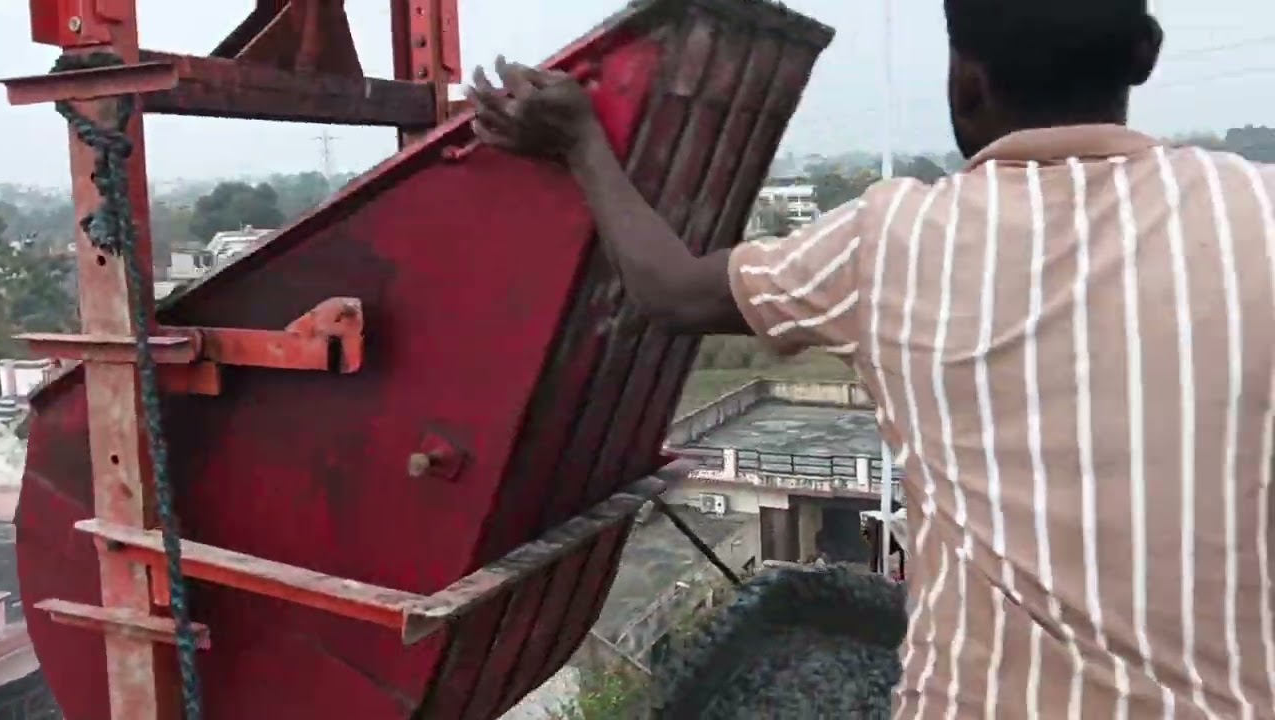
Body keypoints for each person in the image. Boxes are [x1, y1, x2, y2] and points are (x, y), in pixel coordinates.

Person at [467, 0, 1275, 717]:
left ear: (965, 83)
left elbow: (669, 291)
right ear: (1146, 52)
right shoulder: (1261, 213)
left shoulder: (893, 240)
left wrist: (579, 142)